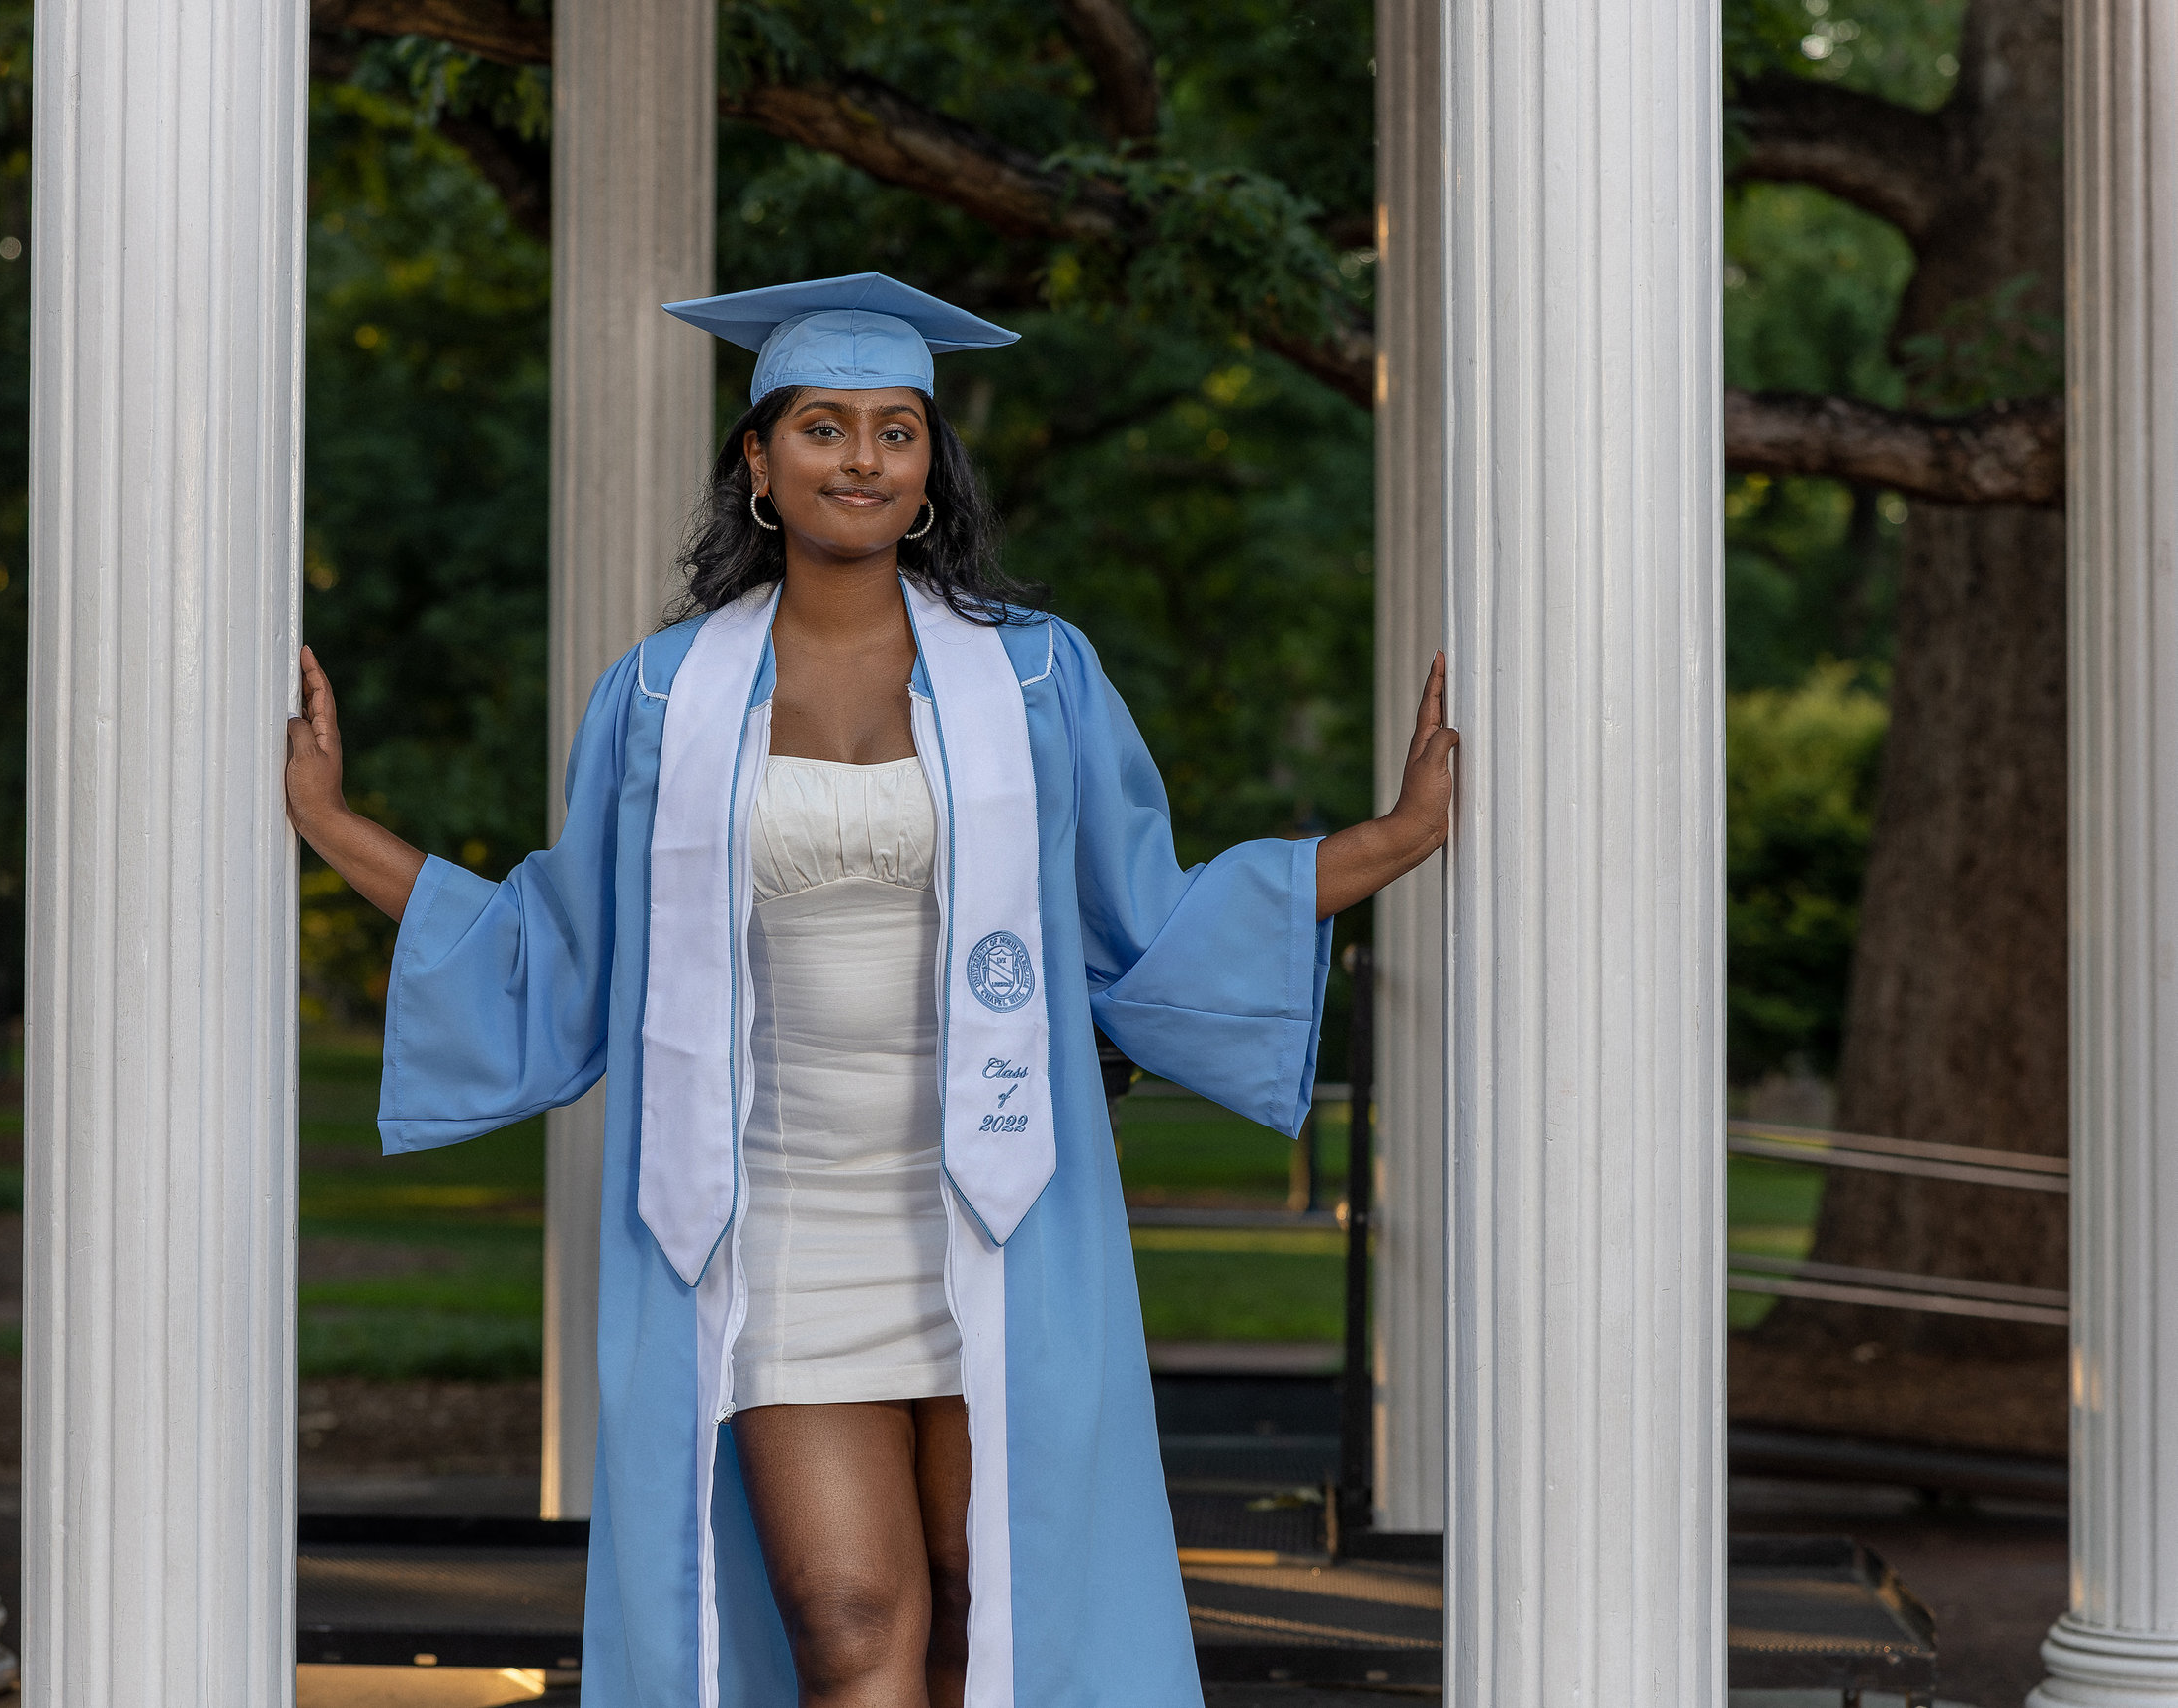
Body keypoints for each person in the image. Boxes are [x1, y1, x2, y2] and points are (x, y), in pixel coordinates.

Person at [285, 272, 1456, 1708]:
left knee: (988, 1598)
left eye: (895, 431)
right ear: (759, 463)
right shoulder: (662, 696)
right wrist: (339, 826)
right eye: (824, 427)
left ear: (928, 465)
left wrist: (1390, 841)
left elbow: (1148, 920)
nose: (861, 458)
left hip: (1002, 1214)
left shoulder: (1036, 680)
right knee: (846, 1614)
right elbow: (558, 944)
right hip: (765, 1221)